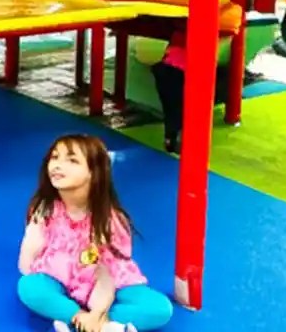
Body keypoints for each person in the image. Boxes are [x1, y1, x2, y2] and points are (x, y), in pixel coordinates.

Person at [17, 134, 173, 332]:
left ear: (94, 172)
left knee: (160, 309)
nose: (57, 165)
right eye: (54, 158)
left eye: (72, 160)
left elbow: (106, 273)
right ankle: (80, 319)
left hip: (107, 285)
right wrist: (80, 314)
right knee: (29, 287)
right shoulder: (46, 210)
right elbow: (29, 257)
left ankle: (94, 324)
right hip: (61, 278)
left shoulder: (110, 220)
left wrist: (98, 313)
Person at [151, 30, 186, 154]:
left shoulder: (178, 32)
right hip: (177, 72)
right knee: (178, 108)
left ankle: (170, 139)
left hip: (165, 68)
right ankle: (173, 140)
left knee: (170, 108)